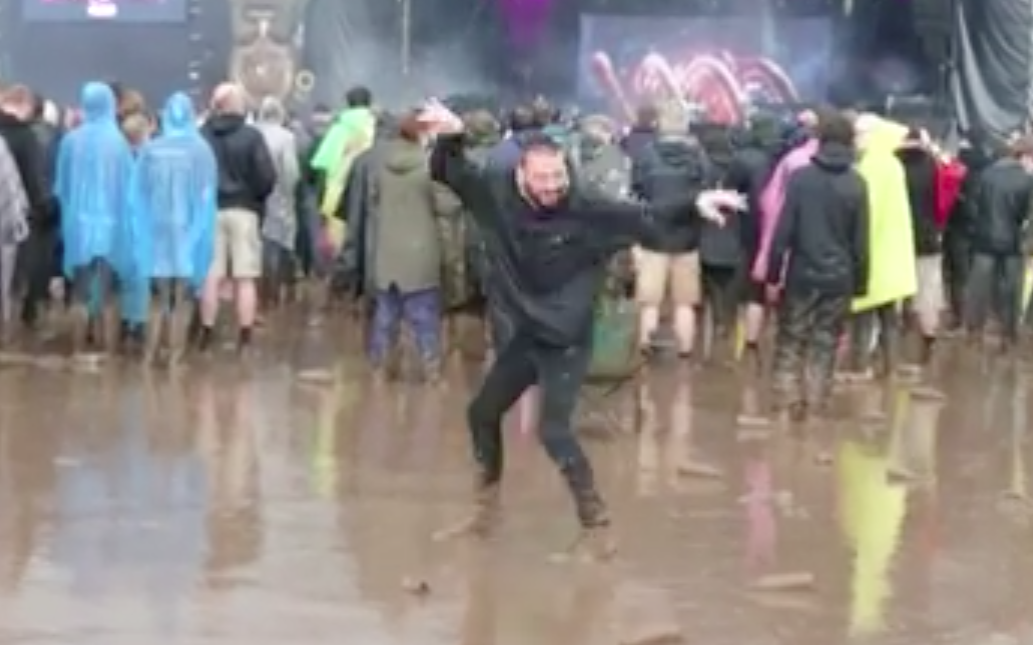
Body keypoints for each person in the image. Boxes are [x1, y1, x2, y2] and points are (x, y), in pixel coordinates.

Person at [421, 99, 742, 559]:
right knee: (481, 414)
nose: (554, 187)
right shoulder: (496, 196)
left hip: (567, 339)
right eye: (544, 179)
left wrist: (695, 202)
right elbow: (449, 172)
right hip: (528, 333)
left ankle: (597, 526)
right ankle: (485, 511)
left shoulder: (586, 209)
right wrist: (452, 134)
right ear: (521, 177)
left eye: (559, 177)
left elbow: (644, 215)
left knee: (555, 432)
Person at [765, 110, 869, 420]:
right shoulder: (857, 184)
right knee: (825, 341)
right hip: (839, 278)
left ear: (820, 140)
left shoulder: (800, 180)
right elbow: (860, 242)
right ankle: (815, 404)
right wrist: (861, 283)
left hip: (801, 275)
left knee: (791, 338)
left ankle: (786, 402)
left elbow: (783, 231)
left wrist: (773, 273)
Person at [127, 92, 217, 366]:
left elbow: (135, 196)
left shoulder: (151, 150)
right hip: (188, 234)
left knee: (156, 298)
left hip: (155, 235)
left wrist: (139, 233)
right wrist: (202, 237)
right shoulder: (202, 151)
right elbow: (207, 197)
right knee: (182, 299)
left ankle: (149, 356)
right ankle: (176, 358)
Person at [55, 81, 134, 357]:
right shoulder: (119, 143)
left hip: (78, 227)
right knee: (108, 294)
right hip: (112, 228)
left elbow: (60, 188)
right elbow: (130, 188)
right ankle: (106, 351)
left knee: (80, 292)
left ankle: (78, 350)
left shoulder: (69, 141)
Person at [198, 83, 276, 356]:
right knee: (245, 277)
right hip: (244, 210)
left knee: (211, 275)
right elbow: (267, 177)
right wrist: (255, 198)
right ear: (238, 105)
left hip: (211, 211)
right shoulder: (252, 137)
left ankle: (206, 332)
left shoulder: (203, 135)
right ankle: (244, 337)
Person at [630, 104, 711, 358]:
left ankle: (646, 348)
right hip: (687, 239)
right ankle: (685, 351)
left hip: (651, 237)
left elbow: (635, 191)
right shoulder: (698, 156)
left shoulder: (646, 154)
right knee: (685, 302)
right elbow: (705, 194)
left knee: (649, 303)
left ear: (660, 125)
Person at [0, 86, 52, 334]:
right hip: (14, 219)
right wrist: (43, 210)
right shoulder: (26, 136)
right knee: (12, 282)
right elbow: (34, 179)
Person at [254, 97, 301, 307]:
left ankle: (259, 292)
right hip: (279, 195)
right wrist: (289, 193)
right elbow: (291, 172)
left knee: (258, 242)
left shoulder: (251, 133)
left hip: (253, 197)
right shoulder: (287, 138)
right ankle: (273, 292)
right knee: (278, 243)